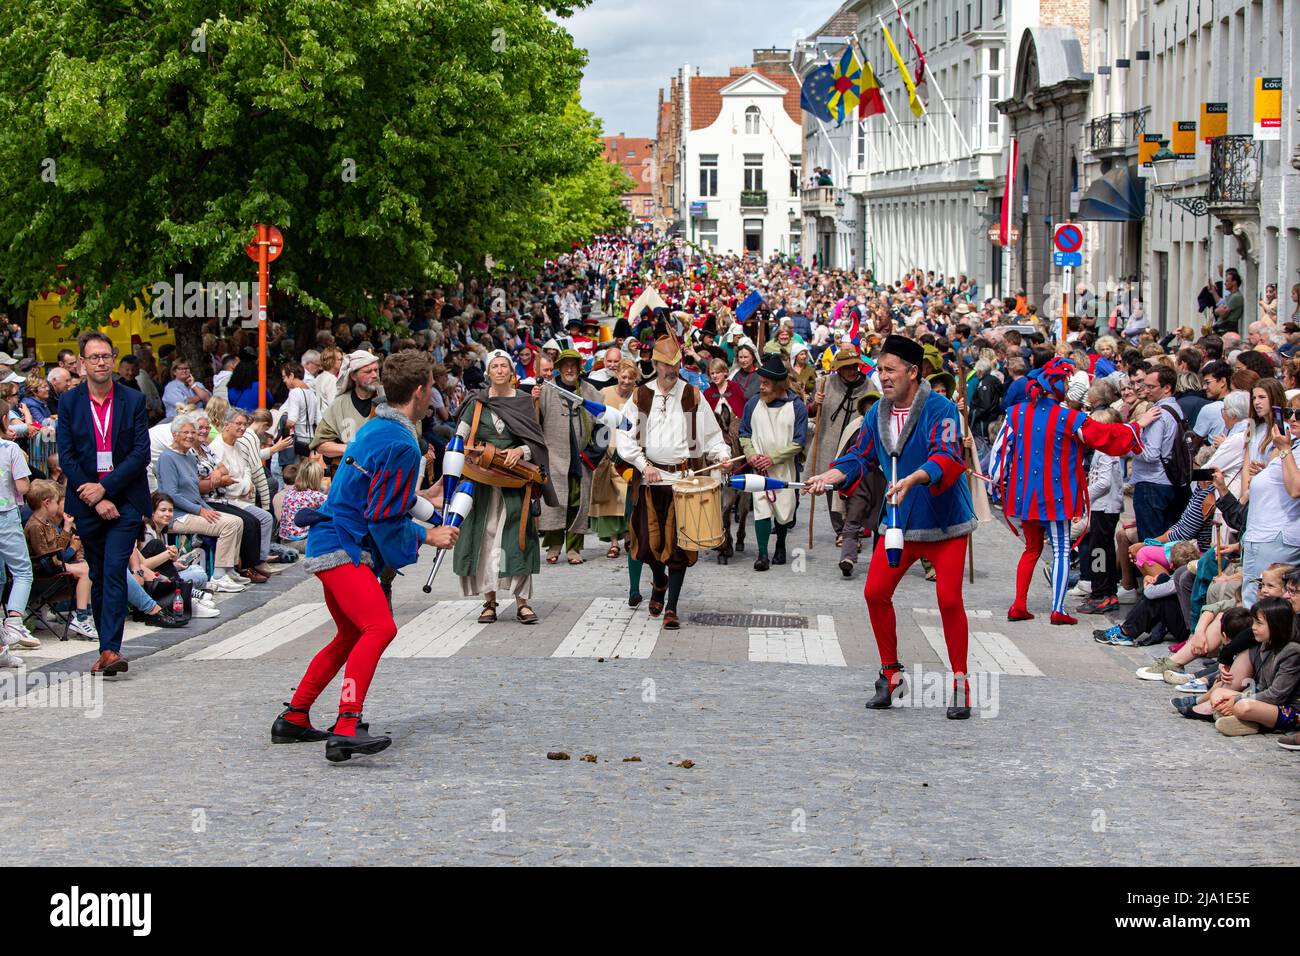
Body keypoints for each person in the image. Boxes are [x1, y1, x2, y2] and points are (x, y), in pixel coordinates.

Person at [272, 349, 460, 762]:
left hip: (330, 539)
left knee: (350, 635)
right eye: (430, 387)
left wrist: (425, 501)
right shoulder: (403, 442)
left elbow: (379, 494)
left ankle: (295, 716)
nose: (433, 394)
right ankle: (346, 723)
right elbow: (382, 514)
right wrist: (429, 537)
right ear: (419, 391)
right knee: (380, 628)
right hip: (343, 545)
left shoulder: (375, 428)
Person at [804, 335, 977, 719]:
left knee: (949, 600)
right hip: (899, 522)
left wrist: (914, 479)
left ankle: (961, 681)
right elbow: (860, 457)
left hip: (944, 522)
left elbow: (947, 458)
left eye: (890, 370)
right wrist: (829, 476)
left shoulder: (941, 409)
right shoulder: (875, 413)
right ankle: (891, 673)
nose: (881, 377)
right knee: (875, 592)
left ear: (913, 373)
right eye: (879, 369)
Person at [989, 357, 1155, 624]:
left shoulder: (1016, 413)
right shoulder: (1069, 417)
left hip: (1026, 496)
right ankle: (1057, 609)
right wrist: (1136, 425)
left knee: (1031, 549)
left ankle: (1019, 604)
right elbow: (1104, 436)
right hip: (1057, 496)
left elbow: (1000, 454)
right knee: (1061, 551)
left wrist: (997, 484)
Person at [614, 333, 733, 629]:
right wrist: (643, 465)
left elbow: (711, 436)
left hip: (684, 480)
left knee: (680, 547)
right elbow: (624, 438)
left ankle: (672, 607)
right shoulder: (641, 396)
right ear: (655, 363)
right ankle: (658, 581)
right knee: (646, 545)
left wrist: (722, 454)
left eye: (675, 364)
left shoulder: (693, 395)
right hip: (650, 480)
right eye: (665, 365)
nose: (671, 370)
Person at [55, 330, 153, 675]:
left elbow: (141, 453)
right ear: (82, 364)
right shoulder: (69, 402)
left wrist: (106, 489)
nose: (101, 362)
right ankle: (105, 647)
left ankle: (112, 650)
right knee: (98, 572)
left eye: (106, 356)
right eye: (94, 357)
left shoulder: (132, 399)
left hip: (125, 497)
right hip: (86, 501)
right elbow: (66, 456)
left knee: (114, 569)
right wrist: (94, 496)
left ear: (113, 360)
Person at [453, 351, 554, 624]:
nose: (499, 370)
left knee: (517, 540)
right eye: (494, 366)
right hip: (483, 484)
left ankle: (522, 603)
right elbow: (459, 439)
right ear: (488, 373)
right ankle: (489, 602)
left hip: (514, 483)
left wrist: (520, 451)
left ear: (511, 371)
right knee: (485, 539)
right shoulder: (477, 403)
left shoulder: (523, 401)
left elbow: (537, 443)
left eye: (503, 366)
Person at [155, 415, 248, 591]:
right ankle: (219, 575)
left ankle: (228, 569)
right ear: (175, 435)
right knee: (227, 525)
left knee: (237, 521)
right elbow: (171, 494)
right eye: (185, 432)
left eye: (193, 432)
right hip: (178, 515)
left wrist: (206, 508)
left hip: (194, 509)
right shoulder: (167, 458)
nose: (190, 436)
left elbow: (195, 490)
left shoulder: (189, 456)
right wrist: (200, 510)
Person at [740, 354, 808, 570]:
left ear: (779, 385)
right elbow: (744, 433)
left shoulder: (796, 408)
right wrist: (751, 454)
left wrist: (773, 458)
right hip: (760, 469)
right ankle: (762, 555)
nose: (762, 387)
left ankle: (780, 544)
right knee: (761, 507)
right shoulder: (753, 404)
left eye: (766, 383)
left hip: (784, 467)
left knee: (784, 510)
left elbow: (798, 442)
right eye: (761, 383)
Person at [536, 349, 600, 565]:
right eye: (565, 365)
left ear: (579, 367)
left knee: (577, 502)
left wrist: (593, 456)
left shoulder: (590, 392)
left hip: (582, 458)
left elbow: (602, 427)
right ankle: (554, 546)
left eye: (573, 365)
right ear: (559, 367)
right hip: (555, 457)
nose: (570, 369)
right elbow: (535, 422)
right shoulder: (546, 390)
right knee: (556, 502)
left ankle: (574, 548)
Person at [808, 346, 876, 546]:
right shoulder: (824, 383)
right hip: (829, 443)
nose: (852, 370)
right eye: (847, 367)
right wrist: (815, 404)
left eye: (855, 366)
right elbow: (811, 412)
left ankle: (852, 530)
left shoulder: (869, 386)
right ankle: (841, 530)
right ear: (839, 369)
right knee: (831, 488)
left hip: (856, 445)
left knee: (855, 488)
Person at [23, 478, 98, 639]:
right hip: (44, 570)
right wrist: (71, 550)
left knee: (89, 568)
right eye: (57, 502)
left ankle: (84, 615)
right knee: (87, 571)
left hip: (52, 565)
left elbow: (57, 547)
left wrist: (66, 528)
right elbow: (45, 554)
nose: (59, 506)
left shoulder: (46, 523)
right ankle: (82, 617)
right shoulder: (35, 525)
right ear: (47, 503)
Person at [310, 349, 380, 468]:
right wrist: (349, 448)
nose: (374, 375)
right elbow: (320, 444)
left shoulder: (389, 400)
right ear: (353, 375)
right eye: (368, 371)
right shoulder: (339, 405)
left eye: (376, 370)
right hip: (352, 473)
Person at [277, 458, 329, 551]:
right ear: (317, 479)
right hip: (299, 542)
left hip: (285, 540)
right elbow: (334, 504)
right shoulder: (314, 496)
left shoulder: (291, 491)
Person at [161, 357, 211, 421]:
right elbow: (184, 405)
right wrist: (200, 397)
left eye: (186, 368)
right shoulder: (171, 387)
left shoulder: (197, 384)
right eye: (180, 369)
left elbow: (208, 399)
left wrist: (193, 386)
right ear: (174, 372)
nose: (184, 371)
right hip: (178, 423)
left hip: (200, 421)